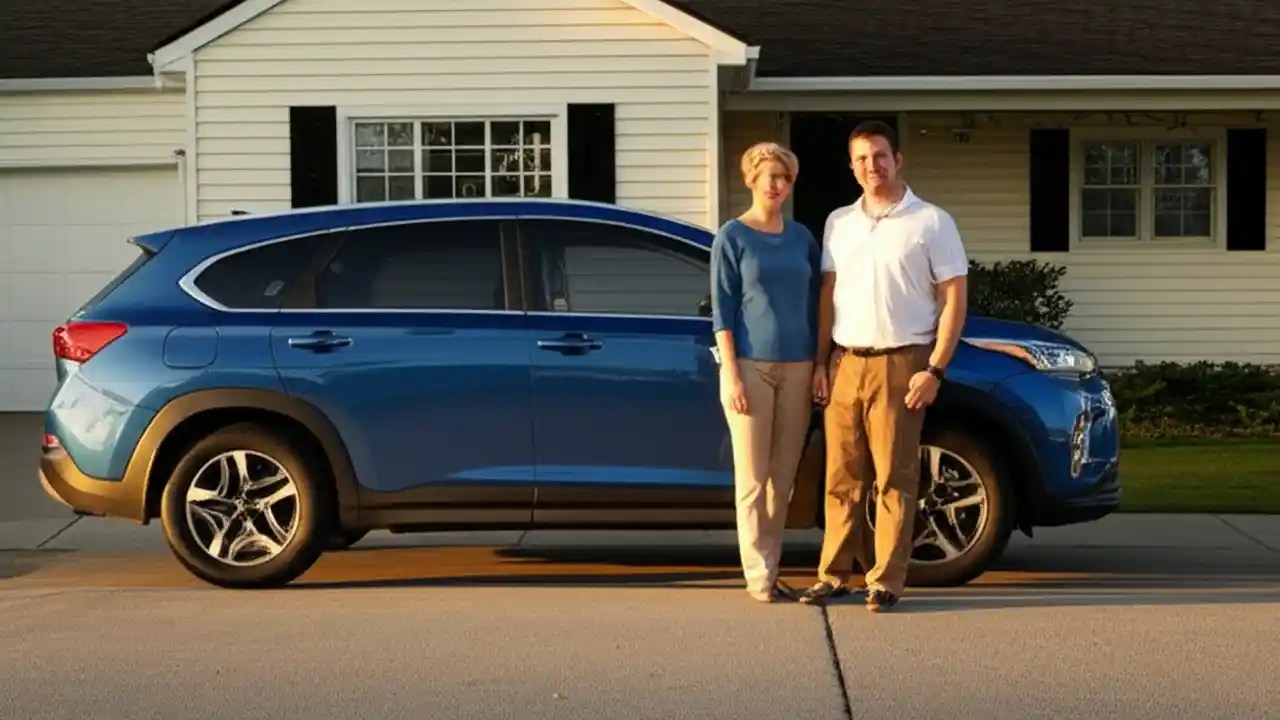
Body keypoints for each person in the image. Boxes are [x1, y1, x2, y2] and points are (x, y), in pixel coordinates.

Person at [797, 120, 968, 612]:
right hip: (847, 361)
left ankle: (886, 581)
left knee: (894, 477)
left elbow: (954, 296)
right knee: (841, 477)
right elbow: (828, 294)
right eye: (862, 159)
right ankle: (833, 575)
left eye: (879, 156)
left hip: (903, 362)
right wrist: (822, 361)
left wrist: (934, 368)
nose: (872, 166)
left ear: (897, 160)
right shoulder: (839, 223)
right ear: (852, 167)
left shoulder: (931, 222)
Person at [711, 142, 821, 603]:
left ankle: (772, 566)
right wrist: (732, 374)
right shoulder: (732, 237)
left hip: (799, 368)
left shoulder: (803, 239)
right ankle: (758, 576)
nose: (778, 185)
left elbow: (819, 305)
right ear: (752, 179)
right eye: (771, 176)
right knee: (753, 478)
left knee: (784, 478)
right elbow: (723, 311)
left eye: (786, 178)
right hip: (750, 368)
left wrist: (820, 365)